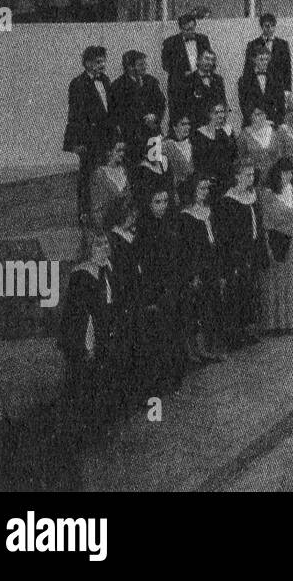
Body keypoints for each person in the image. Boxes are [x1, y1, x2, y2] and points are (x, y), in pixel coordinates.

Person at [57, 229, 119, 436]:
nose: (105, 248)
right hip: (84, 335)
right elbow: (81, 316)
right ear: (88, 250)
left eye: (106, 244)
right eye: (98, 245)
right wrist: (88, 345)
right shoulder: (82, 275)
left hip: (104, 330)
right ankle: (86, 429)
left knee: (103, 380)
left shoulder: (105, 268)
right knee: (86, 383)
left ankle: (102, 424)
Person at [134, 187, 188, 393]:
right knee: (160, 336)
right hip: (156, 288)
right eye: (157, 202)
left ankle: (175, 378)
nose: (162, 206)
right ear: (148, 204)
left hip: (173, 285)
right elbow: (146, 265)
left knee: (175, 334)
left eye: (165, 201)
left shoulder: (171, 224)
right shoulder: (144, 230)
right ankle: (162, 381)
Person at [258, 157, 293, 334]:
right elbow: (270, 219)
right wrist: (289, 219)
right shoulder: (267, 193)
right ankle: (280, 322)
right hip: (278, 240)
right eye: (284, 173)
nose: (288, 177)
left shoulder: (292, 190)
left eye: (290, 173)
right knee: (279, 281)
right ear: (276, 173)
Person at [176, 173, 225, 364]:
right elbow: (187, 249)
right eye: (201, 189)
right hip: (197, 267)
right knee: (198, 308)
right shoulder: (186, 216)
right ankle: (197, 349)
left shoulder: (209, 211)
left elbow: (216, 240)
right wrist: (193, 274)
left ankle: (212, 347)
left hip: (212, 263)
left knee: (213, 305)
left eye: (207, 189)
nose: (205, 193)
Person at [214, 163, 262, 348]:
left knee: (250, 291)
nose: (251, 178)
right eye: (247, 174)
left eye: (252, 174)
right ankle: (235, 334)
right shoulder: (228, 200)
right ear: (237, 176)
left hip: (252, 249)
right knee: (236, 292)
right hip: (237, 253)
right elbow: (226, 233)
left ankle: (247, 329)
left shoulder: (251, 196)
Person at [63, 45, 113, 224]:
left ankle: (107, 210)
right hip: (88, 138)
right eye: (98, 62)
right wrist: (76, 142)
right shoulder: (77, 83)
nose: (103, 65)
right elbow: (75, 115)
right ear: (88, 63)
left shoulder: (106, 80)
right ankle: (84, 212)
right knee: (86, 175)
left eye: (103, 61)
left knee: (107, 172)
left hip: (106, 136)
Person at [103, 198, 141, 410]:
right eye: (129, 215)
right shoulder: (115, 239)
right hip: (124, 297)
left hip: (135, 293)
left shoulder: (129, 234)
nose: (133, 218)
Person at [110, 50, 165, 165]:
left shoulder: (152, 81)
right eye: (140, 64)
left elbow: (161, 103)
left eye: (145, 64)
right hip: (132, 137)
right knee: (137, 169)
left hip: (153, 133)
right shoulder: (118, 86)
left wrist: (154, 116)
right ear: (129, 67)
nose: (145, 67)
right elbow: (118, 113)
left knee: (155, 166)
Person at [191, 101, 237, 197]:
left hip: (229, 179)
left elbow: (235, 155)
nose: (221, 115)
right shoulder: (200, 134)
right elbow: (199, 162)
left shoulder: (228, 130)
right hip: (211, 182)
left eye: (222, 112)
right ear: (209, 114)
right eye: (216, 112)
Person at [174, 50, 228, 128]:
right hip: (196, 127)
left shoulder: (218, 80)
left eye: (212, 60)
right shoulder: (188, 80)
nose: (209, 62)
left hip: (215, 126)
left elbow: (222, 102)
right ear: (198, 60)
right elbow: (185, 107)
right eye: (206, 59)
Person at [89, 136, 131, 234]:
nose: (122, 153)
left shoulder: (124, 170)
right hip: (107, 228)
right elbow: (97, 208)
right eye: (118, 150)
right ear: (109, 152)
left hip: (126, 226)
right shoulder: (100, 174)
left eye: (123, 150)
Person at [245, 12, 292, 96]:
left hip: (278, 88)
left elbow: (287, 68)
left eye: (273, 25)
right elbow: (248, 68)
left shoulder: (283, 44)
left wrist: (287, 89)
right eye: (267, 26)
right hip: (260, 88)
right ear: (262, 27)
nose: (270, 28)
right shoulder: (252, 45)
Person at [237, 47, 286, 126]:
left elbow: (281, 105)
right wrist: (259, 122)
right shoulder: (244, 80)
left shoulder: (277, 79)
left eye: (266, 59)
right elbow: (244, 106)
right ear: (254, 60)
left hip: (272, 124)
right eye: (261, 59)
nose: (264, 62)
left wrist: (275, 122)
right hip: (252, 125)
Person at [161, 12, 211, 83]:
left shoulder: (203, 40)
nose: (190, 32)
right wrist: (182, 73)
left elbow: (210, 59)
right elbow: (165, 65)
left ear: (195, 26)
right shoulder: (170, 42)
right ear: (180, 28)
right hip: (179, 85)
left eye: (192, 29)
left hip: (200, 83)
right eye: (186, 30)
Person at [236, 104, 280, 178]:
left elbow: (279, 155)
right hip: (252, 177)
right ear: (250, 116)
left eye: (263, 113)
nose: (261, 117)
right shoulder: (244, 135)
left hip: (273, 177)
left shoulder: (273, 131)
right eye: (257, 114)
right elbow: (240, 157)